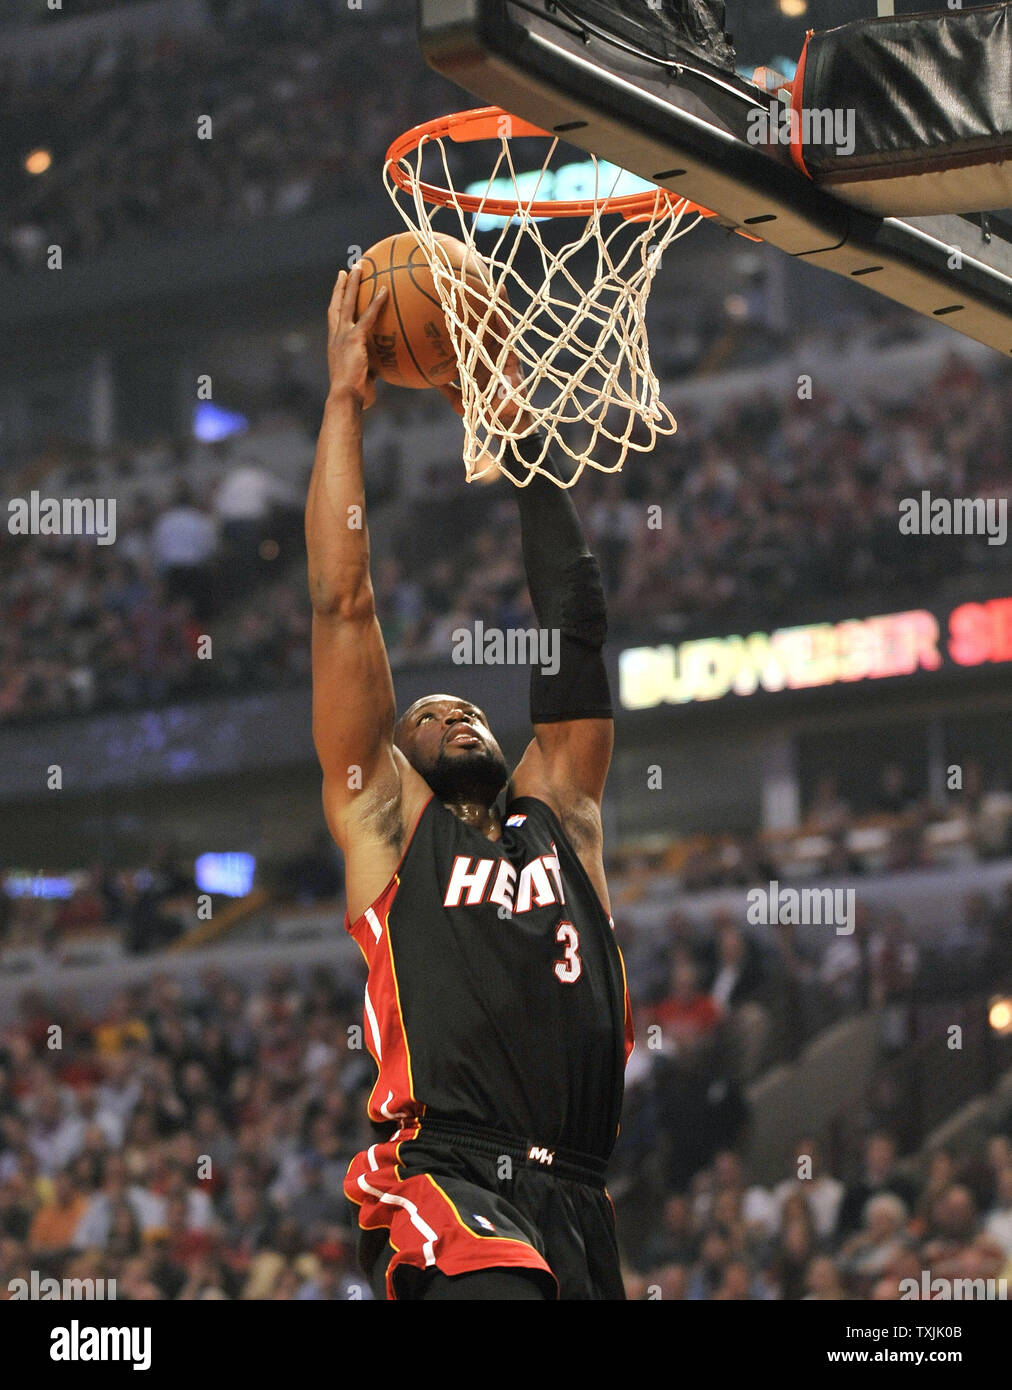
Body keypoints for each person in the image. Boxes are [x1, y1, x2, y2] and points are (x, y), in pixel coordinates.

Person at [306, 265, 632, 1301]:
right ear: (395, 758)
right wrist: (343, 405)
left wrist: (518, 431)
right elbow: (341, 603)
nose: (449, 713)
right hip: (447, 1173)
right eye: (424, 716)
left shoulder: (562, 818)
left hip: (578, 1198)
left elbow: (573, 618)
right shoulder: (388, 826)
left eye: (467, 709)